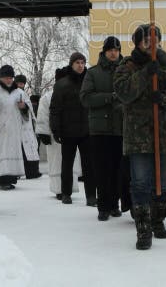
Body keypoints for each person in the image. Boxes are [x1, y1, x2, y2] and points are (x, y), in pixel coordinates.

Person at [114, 24, 166, 250]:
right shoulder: (127, 66)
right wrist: (146, 73)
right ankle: (143, 226)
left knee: (164, 182)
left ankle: (158, 219)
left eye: (155, 38)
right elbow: (124, 92)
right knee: (140, 182)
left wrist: (164, 98)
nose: (151, 42)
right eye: (146, 39)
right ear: (137, 42)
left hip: (165, 134)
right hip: (138, 135)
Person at [80, 36, 124, 221]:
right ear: (105, 52)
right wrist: (109, 97)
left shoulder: (126, 71)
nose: (114, 53)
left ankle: (115, 204)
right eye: (110, 50)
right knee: (102, 170)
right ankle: (103, 206)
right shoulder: (93, 73)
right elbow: (86, 98)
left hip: (121, 128)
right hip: (100, 130)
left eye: (116, 50)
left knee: (118, 170)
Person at [50, 52, 96, 206]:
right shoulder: (62, 84)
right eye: (77, 62)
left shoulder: (90, 82)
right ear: (71, 64)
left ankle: (91, 196)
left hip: (87, 131)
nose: (80, 65)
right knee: (67, 164)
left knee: (89, 165)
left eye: (83, 62)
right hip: (68, 131)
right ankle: (66, 193)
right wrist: (55, 129)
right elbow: (55, 109)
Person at [35, 67, 78, 199]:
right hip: (55, 136)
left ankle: (69, 188)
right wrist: (43, 133)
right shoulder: (47, 97)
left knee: (71, 162)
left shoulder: (75, 93)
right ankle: (58, 189)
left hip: (71, 133)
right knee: (56, 161)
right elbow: (42, 115)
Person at [15, 74, 42, 179]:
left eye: (22, 83)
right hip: (16, 127)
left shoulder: (24, 94)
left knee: (31, 149)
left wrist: (24, 107)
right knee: (19, 150)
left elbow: (29, 108)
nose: (20, 85)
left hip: (27, 127)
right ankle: (18, 173)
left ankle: (32, 172)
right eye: (18, 83)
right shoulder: (11, 93)